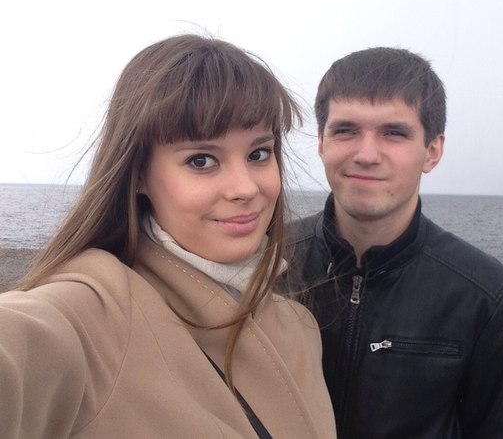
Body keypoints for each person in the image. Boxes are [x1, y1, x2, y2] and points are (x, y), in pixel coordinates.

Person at [0, 34, 336, 439]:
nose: (245, 188)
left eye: (258, 154)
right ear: (138, 173)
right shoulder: (93, 314)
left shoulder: (299, 326)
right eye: (201, 160)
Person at [284, 47, 503, 438]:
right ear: (321, 143)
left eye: (394, 133)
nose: (366, 154)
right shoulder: (270, 262)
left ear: (432, 151)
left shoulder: (481, 292)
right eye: (345, 130)